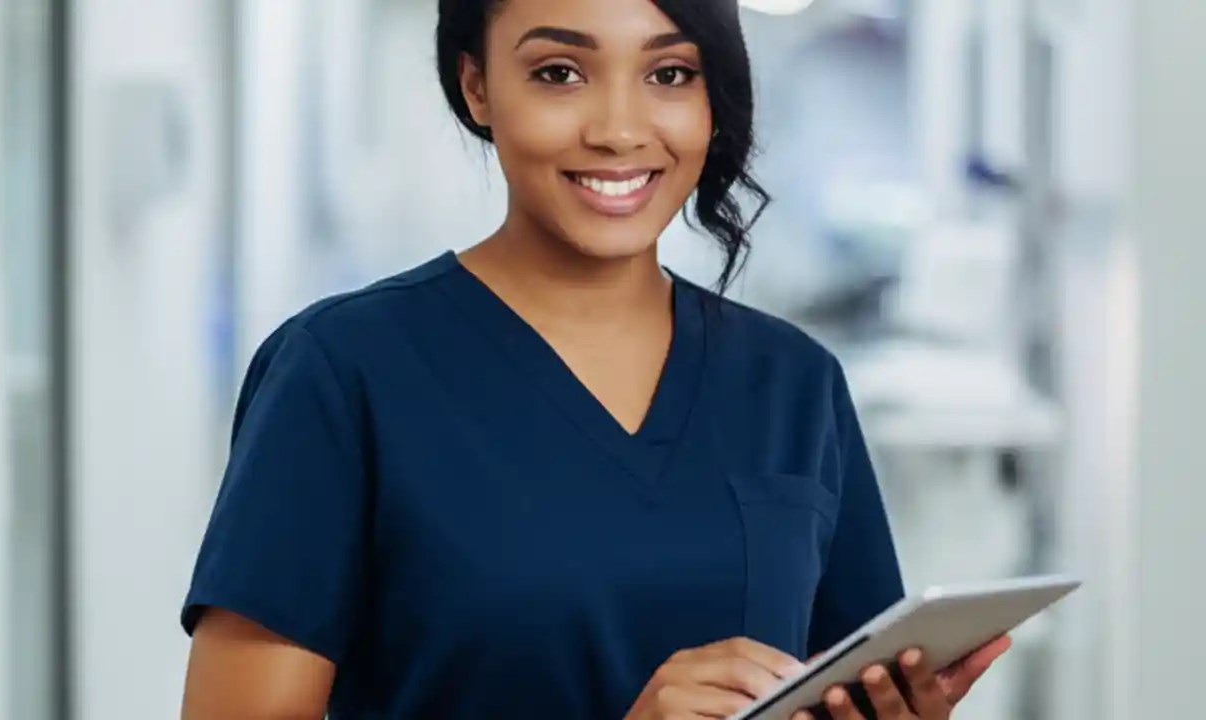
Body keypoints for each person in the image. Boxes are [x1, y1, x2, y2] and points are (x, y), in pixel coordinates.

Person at [179, 0, 1010, 718]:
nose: (618, 130)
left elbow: (836, 681)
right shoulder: (341, 372)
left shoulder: (794, 384)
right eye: (558, 73)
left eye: (671, 75)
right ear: (477, 86)